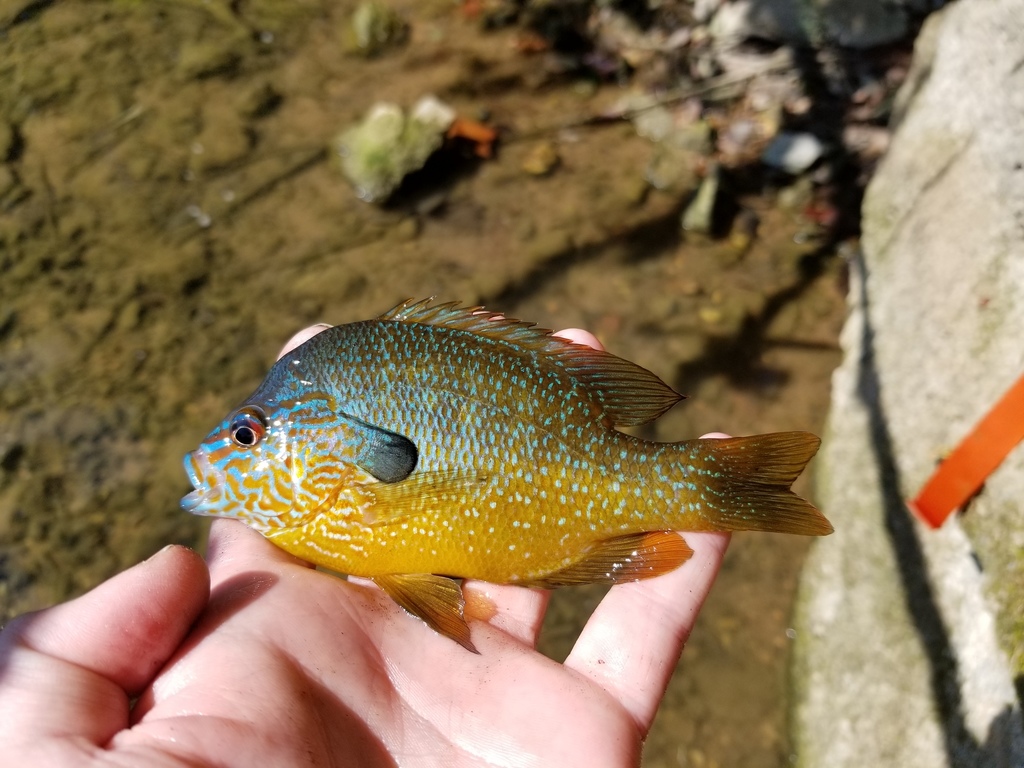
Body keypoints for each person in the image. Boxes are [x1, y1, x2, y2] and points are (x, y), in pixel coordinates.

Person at [0, 326, 730, 767]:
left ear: (327, 435)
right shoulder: (312, 507)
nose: (218, 457)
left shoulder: (324, 477)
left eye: (248, 436)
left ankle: (714, 486)